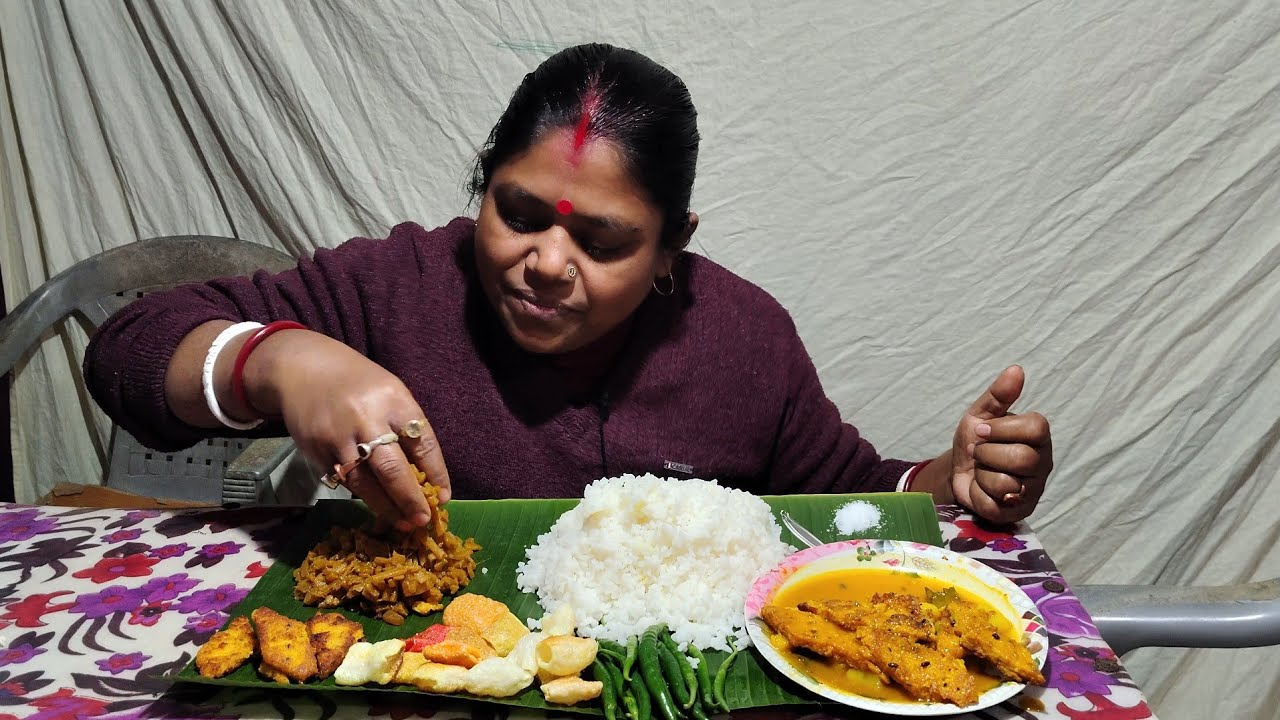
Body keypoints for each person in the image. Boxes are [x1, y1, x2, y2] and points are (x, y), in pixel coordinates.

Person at [84, 43, 1052, 532]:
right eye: (518, 213)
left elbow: (846, 497)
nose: (545, 261)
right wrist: (286, 362)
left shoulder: (744, 338)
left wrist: (948, 485)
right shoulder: (401, 283)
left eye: (600, 240)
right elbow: (127, 354)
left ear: (672, 246)